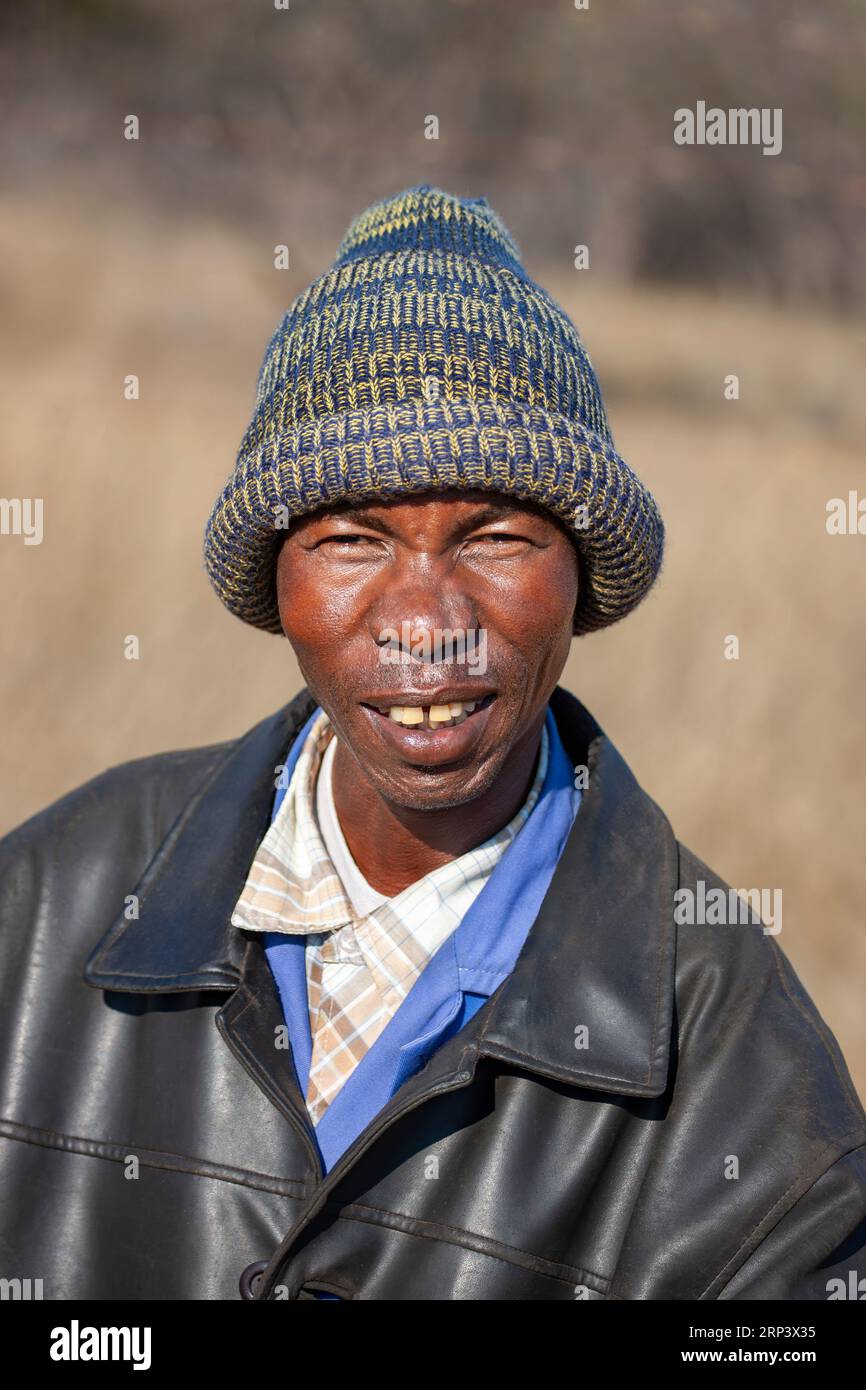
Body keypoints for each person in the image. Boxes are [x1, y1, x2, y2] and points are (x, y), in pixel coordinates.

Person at [1, 185, 864, 1302]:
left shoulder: (734, 1061)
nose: (425, 618)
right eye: (352, 538)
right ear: (276, 577)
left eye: (496, 535)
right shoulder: (47, 904)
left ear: (578, 581)